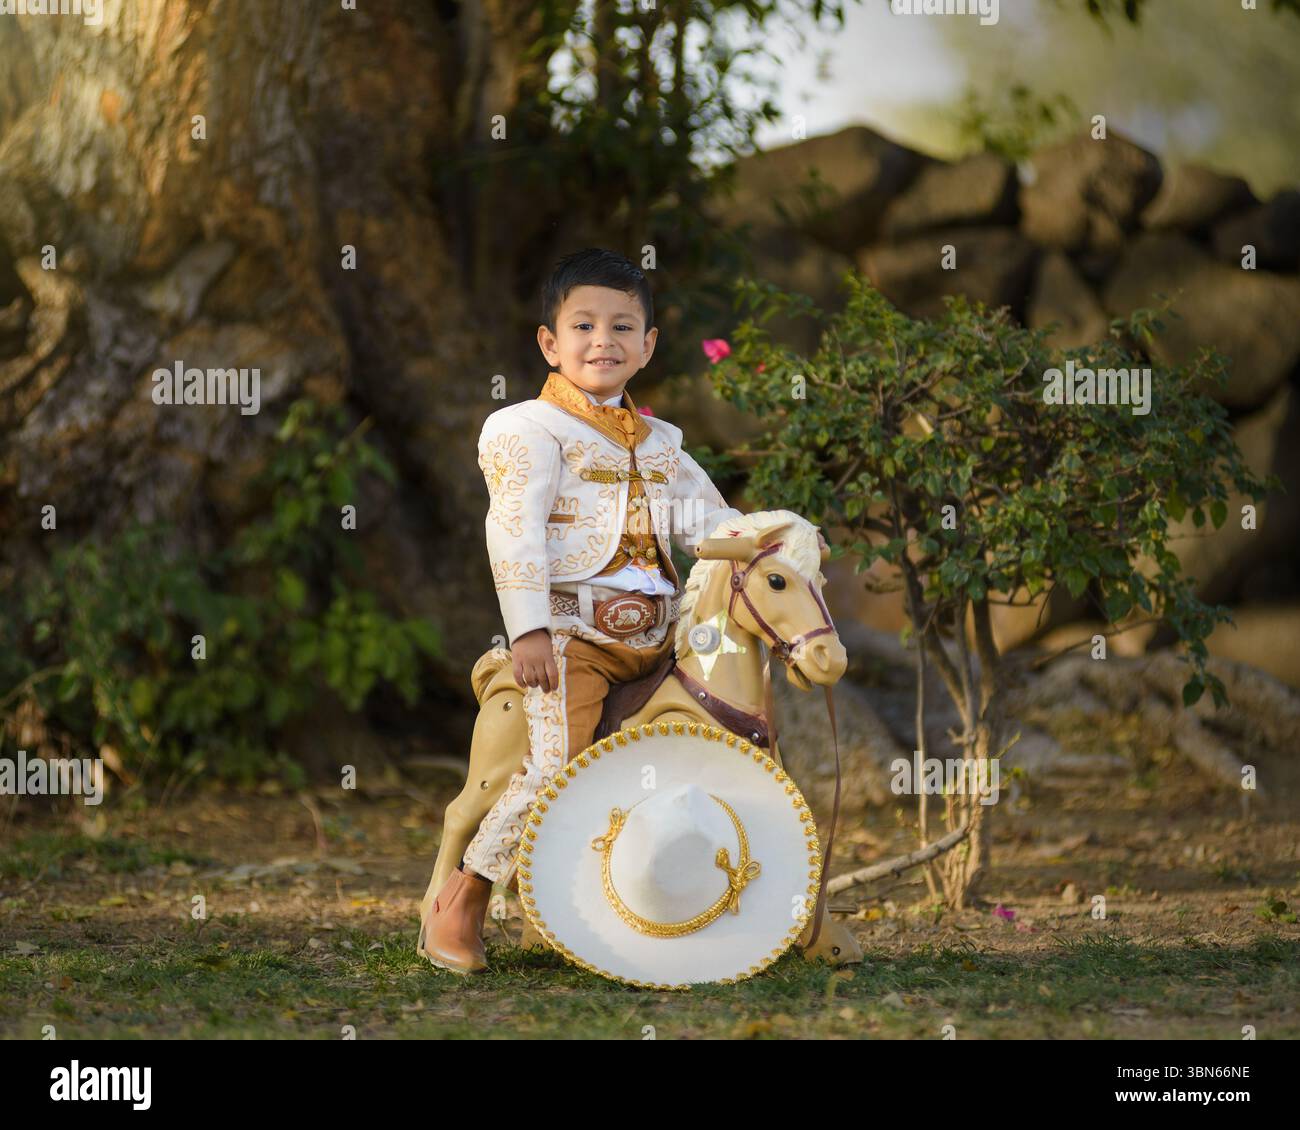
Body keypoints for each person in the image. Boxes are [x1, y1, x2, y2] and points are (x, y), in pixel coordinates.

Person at [419, 248, 743, 974]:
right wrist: (530, 629)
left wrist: (779, 538)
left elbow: (712, 525)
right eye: (585, 325)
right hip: (574, 636)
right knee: (554, 765)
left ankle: (648, 900)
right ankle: (463, 900)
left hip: (662, 639)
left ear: (649, 345)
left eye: (624, 326)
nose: (605, 341)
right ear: (550, 343)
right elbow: (514, 528)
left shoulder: (662, 444)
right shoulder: (525, 428)